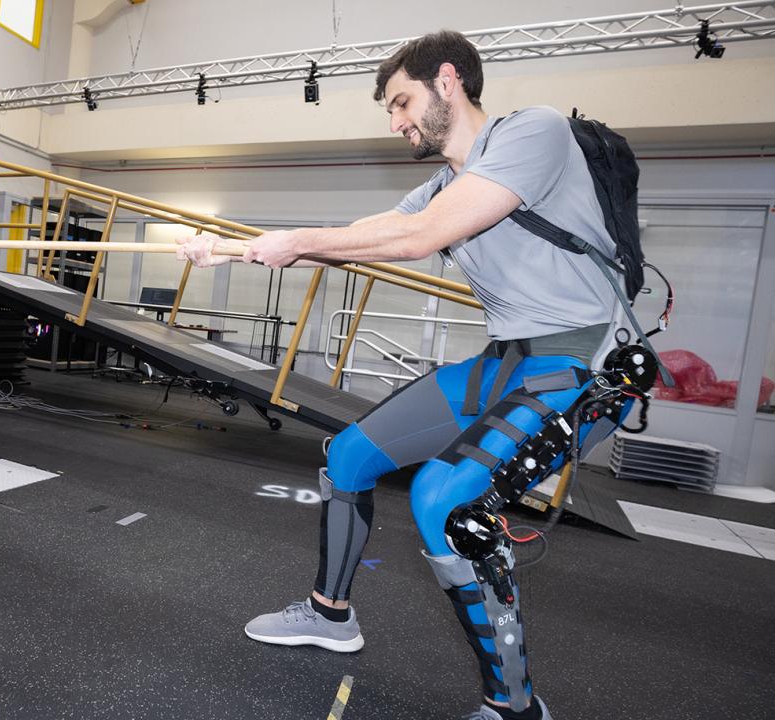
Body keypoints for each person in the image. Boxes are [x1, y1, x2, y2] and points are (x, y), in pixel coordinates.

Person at [177, 30, 639, 720]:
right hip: (508, 361)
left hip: (586, 365)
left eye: (401, 102)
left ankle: (514, 708)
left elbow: (420, 236)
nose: (396, 122)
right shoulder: (444, 182)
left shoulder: (533, 133)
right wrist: (231, 251)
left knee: (444, 501)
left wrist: (299, 242)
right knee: (350, 456)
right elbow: (371, 235)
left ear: (448, 80)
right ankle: (330, 615)